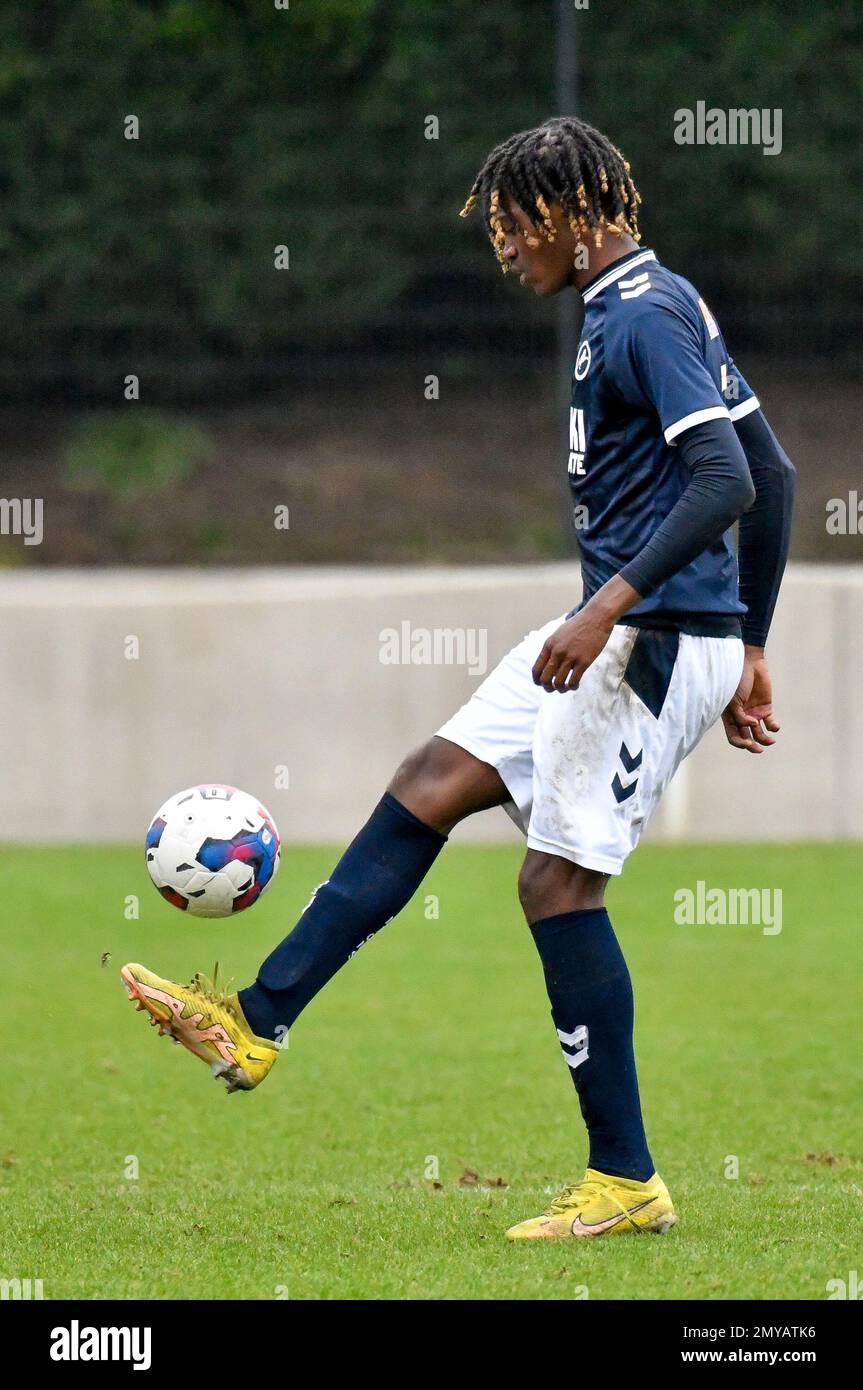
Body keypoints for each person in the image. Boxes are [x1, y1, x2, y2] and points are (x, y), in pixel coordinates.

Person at [122, 117, 795, 1240]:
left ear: (568, 214)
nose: (498, 248)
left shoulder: (637, 317)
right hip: (641, 627)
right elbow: (768, 466)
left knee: (556, 886)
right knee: (432, 778)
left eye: (507, 223)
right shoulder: (643, 303)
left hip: (646, 638)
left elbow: (726, 475)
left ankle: (624, 1180)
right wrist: (756, 645)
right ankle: (255, 1021)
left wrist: (625, 613)